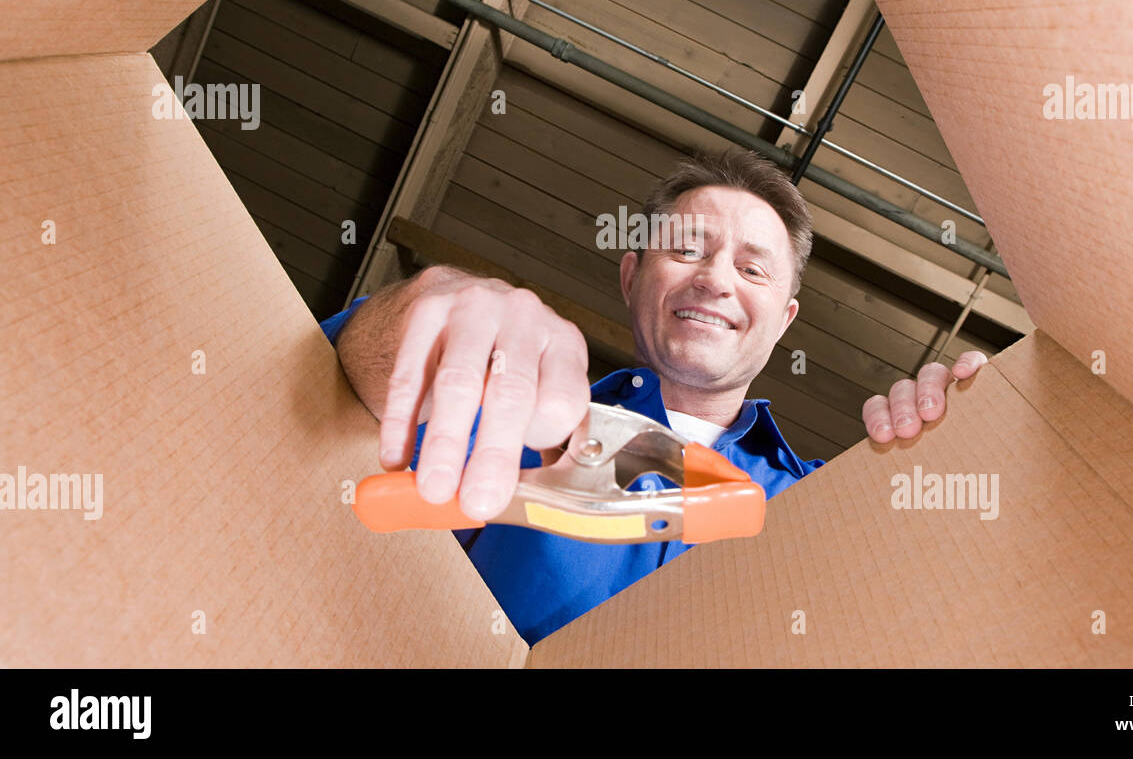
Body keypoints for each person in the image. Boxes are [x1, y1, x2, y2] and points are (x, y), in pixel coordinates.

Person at [322, 148, 986, 643]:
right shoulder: (515, 422)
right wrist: (429, 310)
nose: (716, 280)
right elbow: (341, 391)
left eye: (752, 268)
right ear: (633, 275)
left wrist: (961, 452)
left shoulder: (824, 507)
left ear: (784, 318)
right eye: (689, 250)